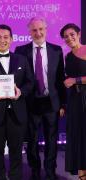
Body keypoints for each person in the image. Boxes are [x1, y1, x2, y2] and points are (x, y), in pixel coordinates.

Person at [0, 24, 33, 180]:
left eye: (6, 37)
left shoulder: (22, 59)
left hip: (18, 113)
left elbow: (30, 83)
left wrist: (21, 92)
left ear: (11, 39)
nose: (2, 40)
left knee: (17, 152)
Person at [15, 17, 66, 180]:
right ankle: (35, 171)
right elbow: (20, 78)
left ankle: (50, 172)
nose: (38, 33)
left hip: (51, 103)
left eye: (41, 29)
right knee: (32, 141)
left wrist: (63, 103)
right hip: (31, 104)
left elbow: (59, 79)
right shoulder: (20, 51)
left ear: (46, 29)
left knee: (52, 141)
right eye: (34, 30)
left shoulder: (57, 50)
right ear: (29, 32)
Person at [60, 23, 86, 180]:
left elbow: (72, 80)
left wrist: (75, 80)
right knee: (79, 138)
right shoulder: (68, 56)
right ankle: (82, 175)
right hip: (75, 102)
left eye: (72, 34)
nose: (69, 38)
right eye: (66, 37)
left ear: (79, 33)